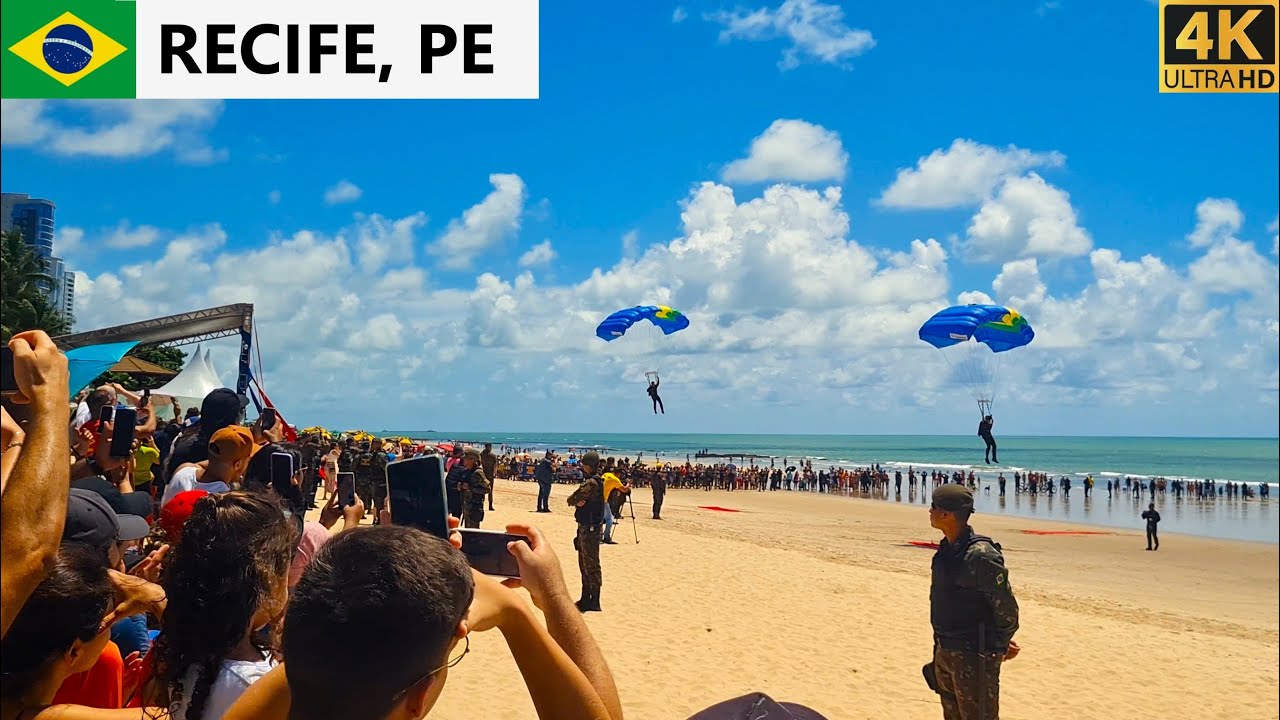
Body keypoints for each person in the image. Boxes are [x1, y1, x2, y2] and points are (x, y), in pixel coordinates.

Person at [926, 484, 1020, 720]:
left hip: (974, 655)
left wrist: (998, 644)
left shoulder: (981, 555)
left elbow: (1007, 610)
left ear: (946, 514)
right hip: (945, 649)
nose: (929, 511)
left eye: (933, 507)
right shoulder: (947, 549)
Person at [567, 450, 604, 612]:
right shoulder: (597, 481)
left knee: (589, 564)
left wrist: (577, 501)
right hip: (588, 526)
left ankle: (593, 600)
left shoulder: (591, 483)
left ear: (588, 466)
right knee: (585, 562)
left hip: (589, 528)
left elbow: (572, 499)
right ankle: (587, 597)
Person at [481, 442, 498, 511]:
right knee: (490, 491)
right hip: (490, 474)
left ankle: (482, 505)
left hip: (483, 474)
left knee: (482, 490)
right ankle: (490, 506)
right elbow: (495, 466)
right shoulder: (493, 456)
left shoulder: (481, 455)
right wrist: (495, 473)